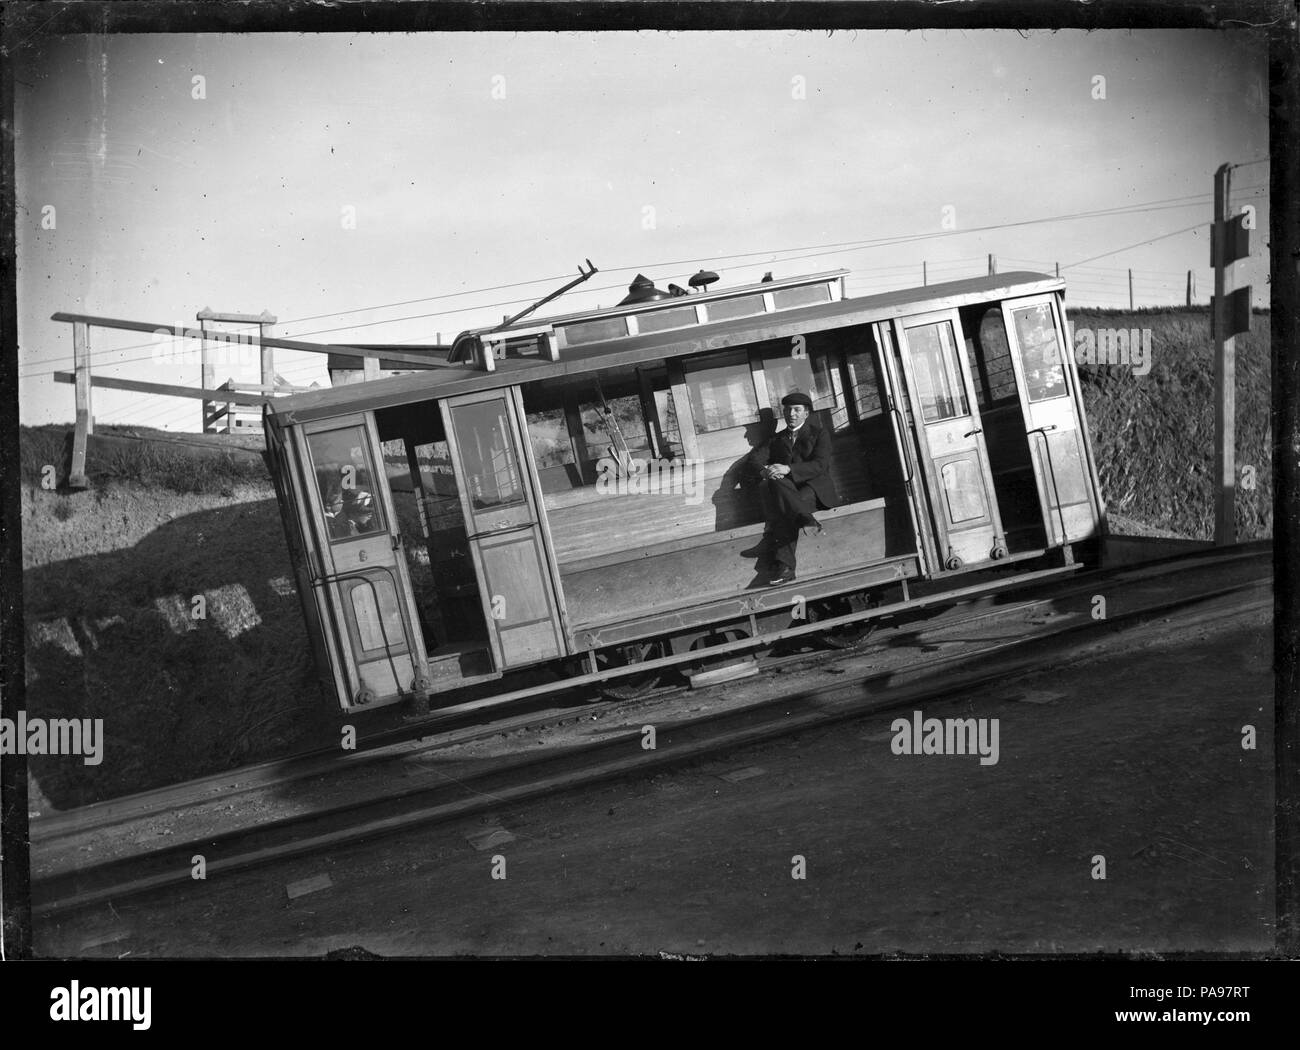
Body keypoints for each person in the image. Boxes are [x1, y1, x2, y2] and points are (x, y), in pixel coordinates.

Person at [747, 390, 838, 585]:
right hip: (790, 494)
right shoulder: (777, 439)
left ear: (807, 413)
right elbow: (754, 459)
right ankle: (806, 519)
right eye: (787, 410)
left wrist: (788, 468)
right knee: (776, 482)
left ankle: (784, 564)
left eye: (797, 410)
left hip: (815, 490)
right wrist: (766, 471)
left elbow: (820, 465)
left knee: (786, 507)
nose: (791, 414)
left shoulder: (819, 434)